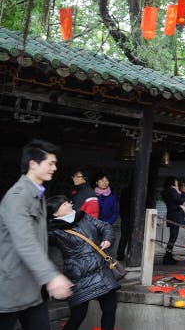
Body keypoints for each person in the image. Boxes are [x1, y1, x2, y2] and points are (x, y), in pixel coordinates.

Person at [0, 140, 73, 329]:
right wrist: (52, 276)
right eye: (50, 163)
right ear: (33, 164)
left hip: (33, 288)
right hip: (10, 286)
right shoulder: (18, 197)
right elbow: (25, 242)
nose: (54, 168)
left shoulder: (37, 193)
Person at [46, 195, 119, 330]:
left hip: (101, 271)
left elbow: (105, 226)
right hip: (79, 276)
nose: (69, 204)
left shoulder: (84, 217)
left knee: (110, 309)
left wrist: (108, 239)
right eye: (64, 204)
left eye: (68, 202)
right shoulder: (53, 231)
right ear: (55, 213)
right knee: (78, 316)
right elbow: (35, 240)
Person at [162, 175, 185, 264]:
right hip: (175, 216)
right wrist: (183, 192)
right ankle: (167, 257)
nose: (177, 183)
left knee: (173, 237)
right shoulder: (171, 191)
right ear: (172, 182)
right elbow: (180, 201)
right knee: (173, 237)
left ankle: (168, 256)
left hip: (172, 215)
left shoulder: (168, 191)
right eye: (176, 181)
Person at [94, 173, 120, 256]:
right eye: (102, 180)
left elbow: (115, 213)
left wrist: (108, 223)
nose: (105, 182)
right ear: (96, 182)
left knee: (105, 250)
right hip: (92, 226)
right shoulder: (91, 195)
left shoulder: (112, 197)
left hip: (106, 226)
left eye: (107, 180)